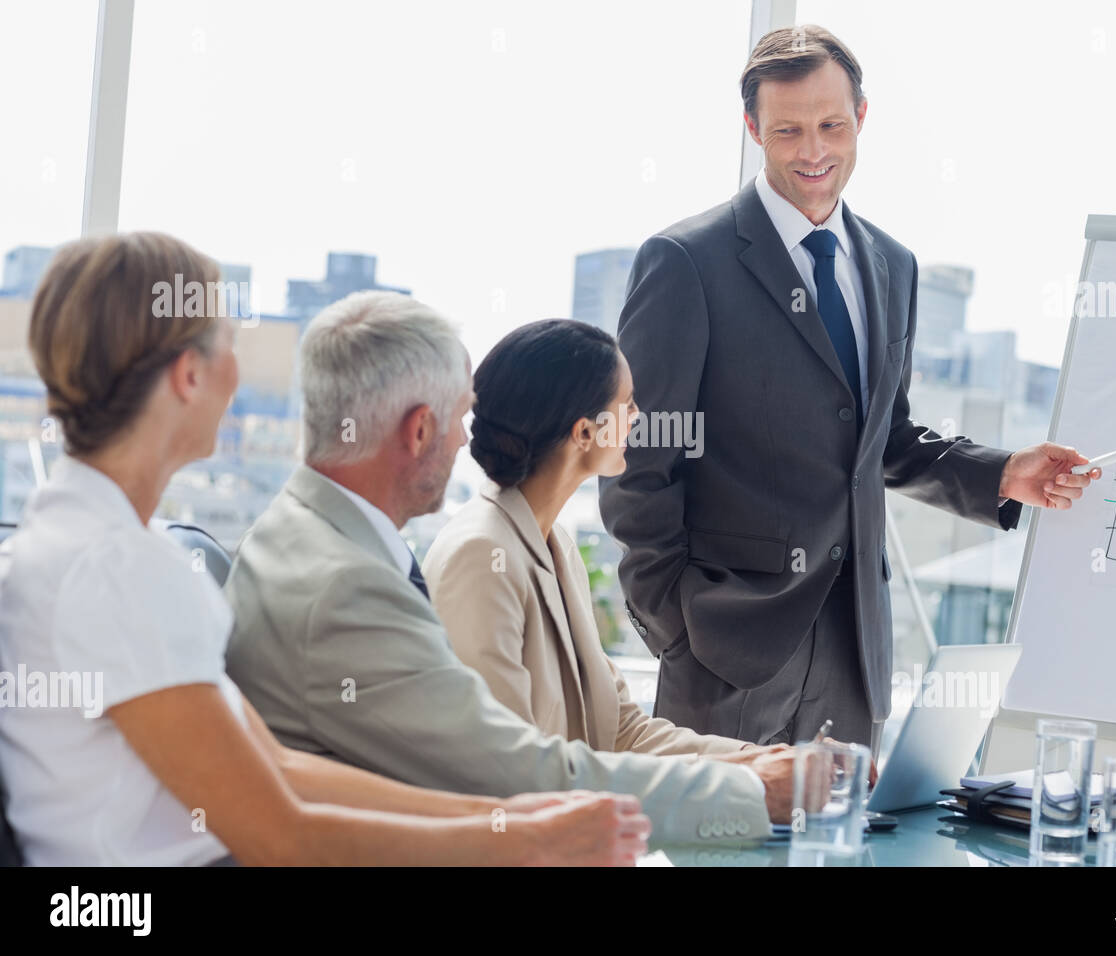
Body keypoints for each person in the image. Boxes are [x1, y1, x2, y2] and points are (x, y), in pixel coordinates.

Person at [0, 232, 649, 866]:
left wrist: (509, 818)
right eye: (230, 345)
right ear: (188, 376)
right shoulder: (117, 570)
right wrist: (527, 842)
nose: (239, 372)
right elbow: (278, 835)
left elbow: (279, 770)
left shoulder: (97, 541)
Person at [597, 25, 1104, 754]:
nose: (813, 151)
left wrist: (1002, 473)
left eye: (832, 125)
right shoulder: (687, 263)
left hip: (855, 651)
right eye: (788, 130)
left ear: (862, 117)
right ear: (752, 128)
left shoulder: (892, 265)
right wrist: (677, 630)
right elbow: (637, 460)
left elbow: (881, 440)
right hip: (727, 653)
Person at [223, 291, 799, 844]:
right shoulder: (371, 579)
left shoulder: (305, 538)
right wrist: (748, 791)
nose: (463, 440)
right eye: (457, 416)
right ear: (419, 429)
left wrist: (759, 764)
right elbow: (508, 773)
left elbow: (612, 728)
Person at [424, 320, 778, 761]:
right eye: (626, 403)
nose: (637, 416)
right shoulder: (482, 556)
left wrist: (767, 761)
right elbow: (507, 764)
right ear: (584, 432)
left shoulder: (556, 545)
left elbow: (620, 732)